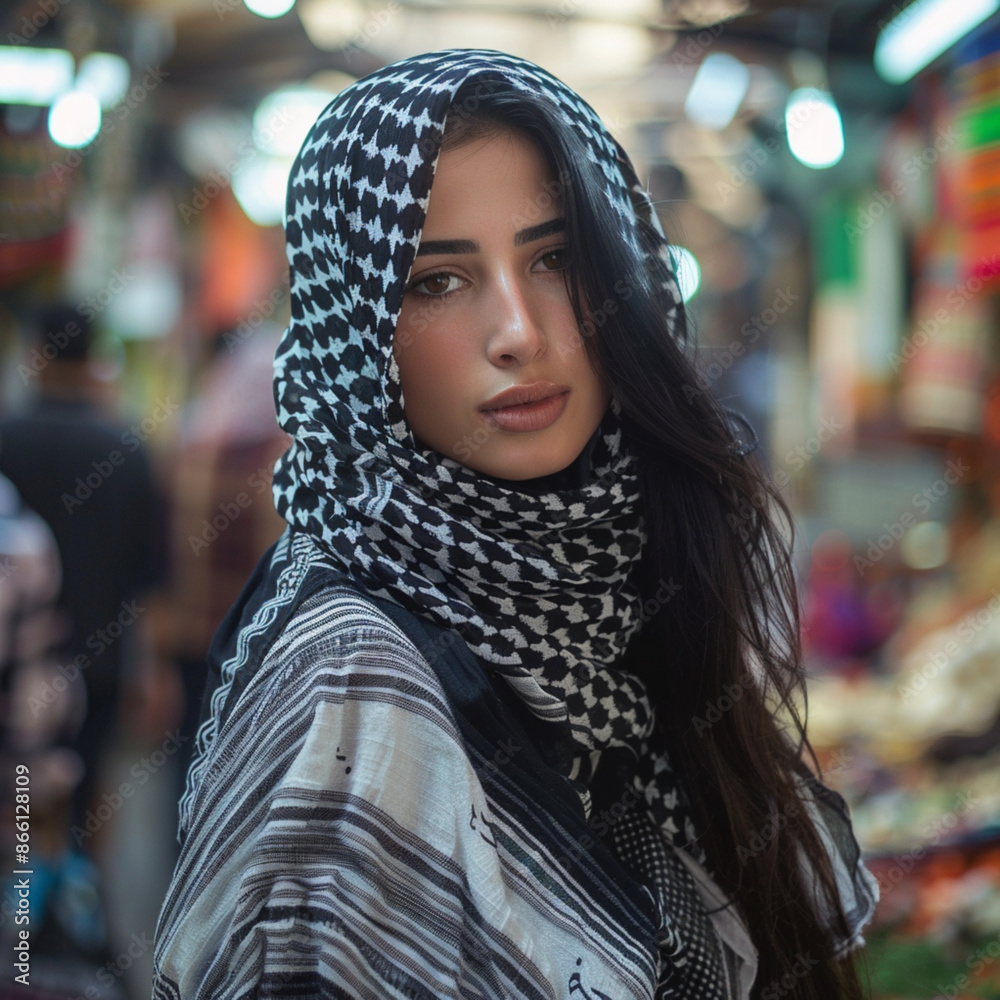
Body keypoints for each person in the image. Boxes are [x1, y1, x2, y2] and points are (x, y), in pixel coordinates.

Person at [152, 49, 878, 999]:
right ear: (357, 335)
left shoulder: (605, 584)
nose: (519, 332)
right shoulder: (356, 684)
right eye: (437, 282)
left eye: (555, 259)